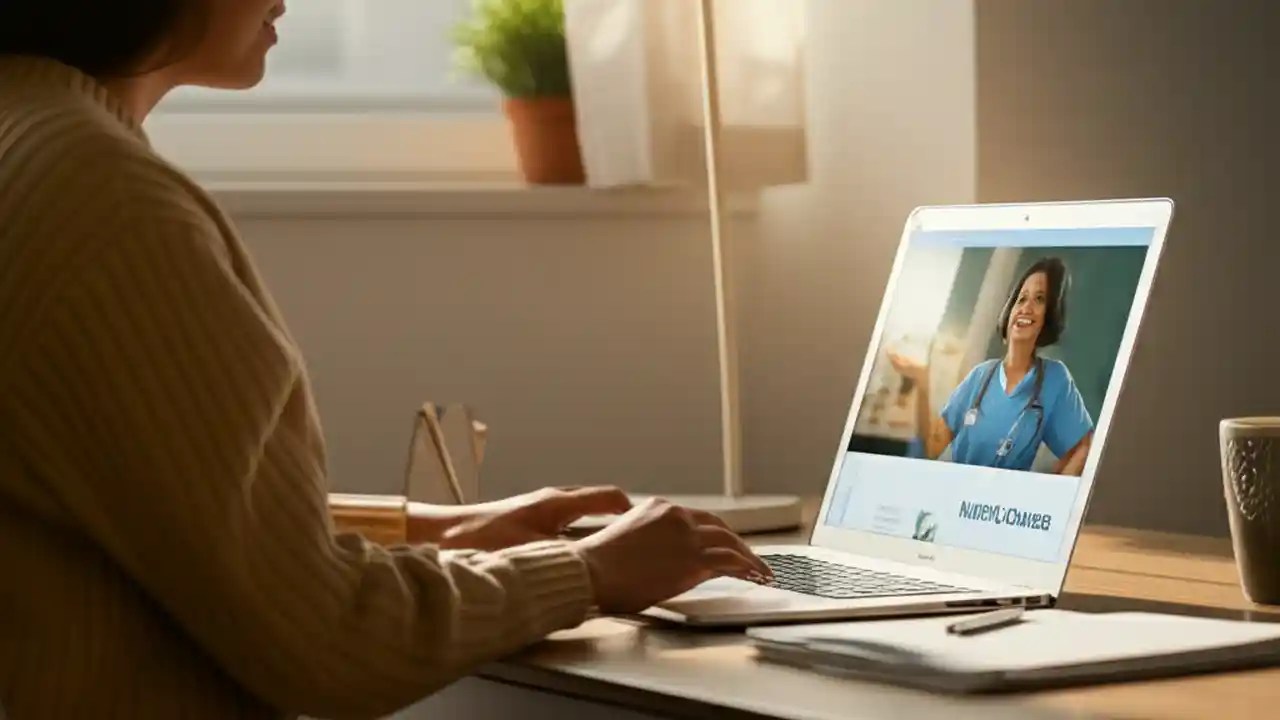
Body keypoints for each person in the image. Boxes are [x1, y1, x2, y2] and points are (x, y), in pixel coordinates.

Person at [0, 2, 772, 718]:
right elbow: (328, 639)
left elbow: (151, 510)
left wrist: (429, 531)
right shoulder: (111, 211)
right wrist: (589, 573)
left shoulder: (29, 141)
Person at [887, 257, 1094, 475]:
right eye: (1021, 299)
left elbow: (1083, 446)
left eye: (1040, 299)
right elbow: (932, 447)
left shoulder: (1054, 379)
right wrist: (922, 381)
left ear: (1049, 313)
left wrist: (1047, 497)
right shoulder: (980, 376)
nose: (1026, 308)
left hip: (1000, 507)